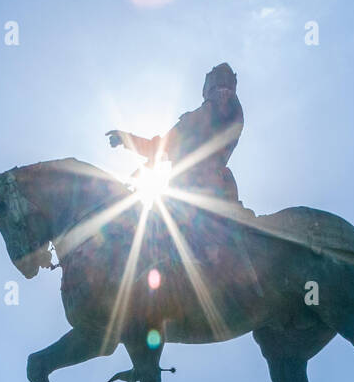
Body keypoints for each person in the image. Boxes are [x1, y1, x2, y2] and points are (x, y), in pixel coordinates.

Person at [107, 63, 260, 295]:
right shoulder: (219, 106)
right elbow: (170, 149)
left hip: (201, 183)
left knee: (167, 221)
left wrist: (128, 141)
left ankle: (194, 270)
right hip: (198, 180)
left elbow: (165, 146)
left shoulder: (219, 103)